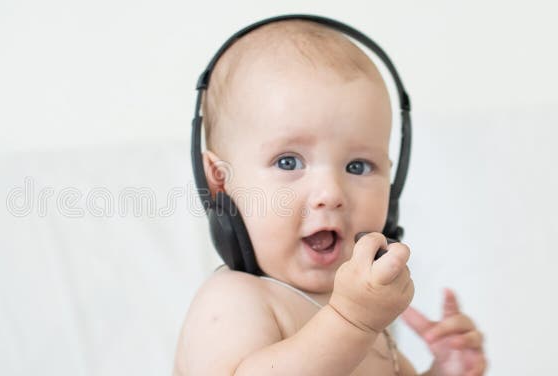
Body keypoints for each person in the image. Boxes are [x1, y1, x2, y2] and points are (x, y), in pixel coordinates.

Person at [173, 19, 487, 375]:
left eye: (358, 167)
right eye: (288, 161)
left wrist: (446, 370)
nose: (331, 194)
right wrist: (351, 322)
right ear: (220, 182)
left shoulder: (365, 316)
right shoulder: (235, 299)